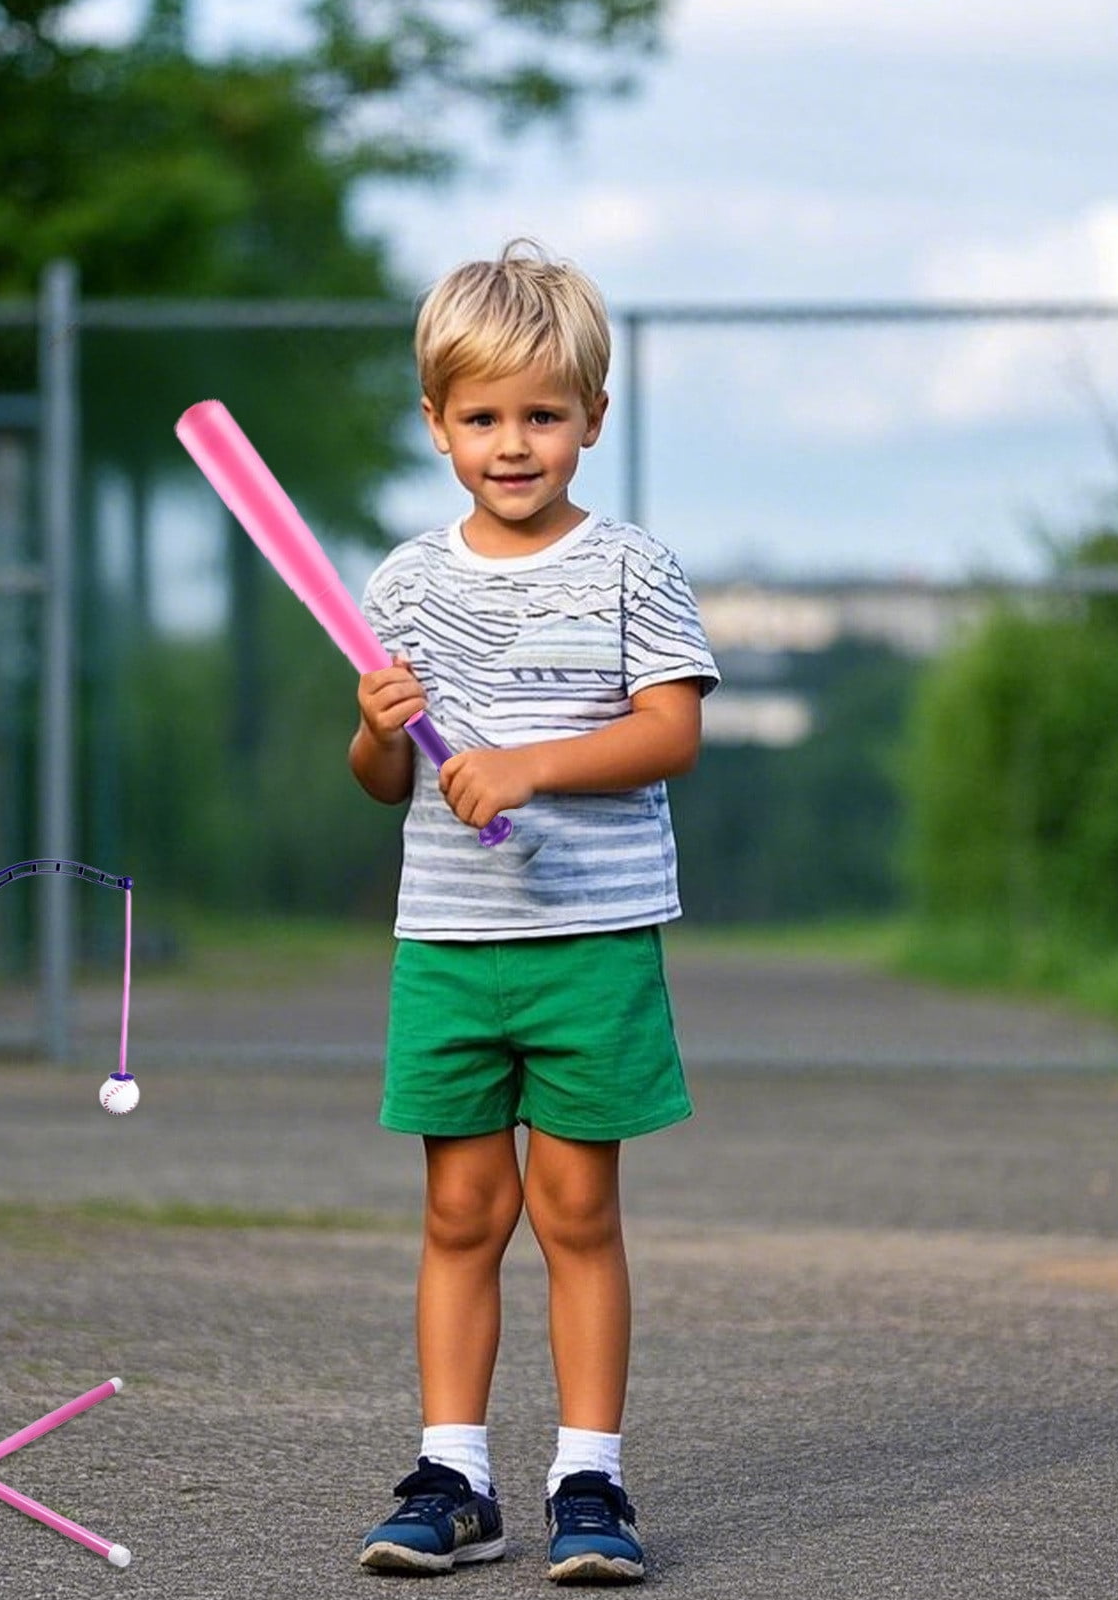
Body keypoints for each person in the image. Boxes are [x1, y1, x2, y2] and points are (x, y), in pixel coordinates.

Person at [349, 239, 719, 1585]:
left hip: (589, 947)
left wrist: (532, 764)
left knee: (574, 1210)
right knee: (459, 1215)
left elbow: (669, 733)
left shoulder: (632, 569)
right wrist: (378, 729)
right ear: (441, 425)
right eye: (484, 416)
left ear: (592, 421)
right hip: (449, 950)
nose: (515, 443)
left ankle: (590, 1483)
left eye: (543, 415)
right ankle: (455, 1476)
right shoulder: (402, 585)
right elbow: (386, 780)